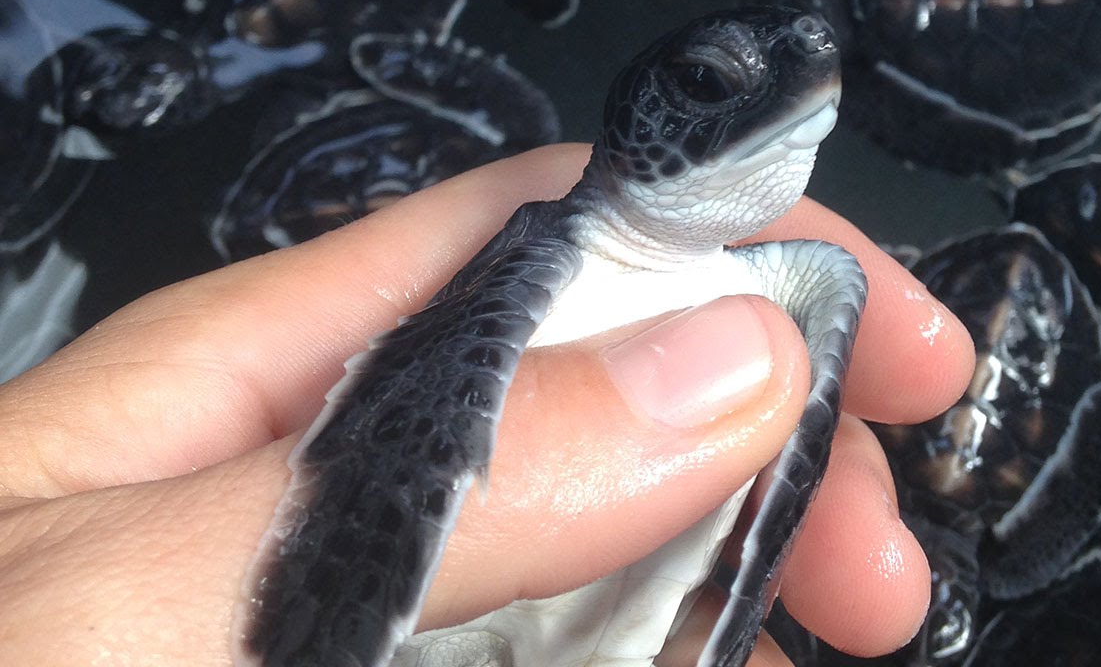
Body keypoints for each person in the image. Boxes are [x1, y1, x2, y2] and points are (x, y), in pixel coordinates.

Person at [0, 144, 973, 666]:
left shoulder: (805, 282)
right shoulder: (555, 234)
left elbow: (772, 524)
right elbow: (404, 425)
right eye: (710, 88)